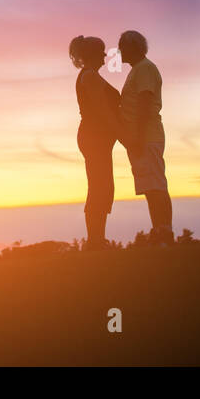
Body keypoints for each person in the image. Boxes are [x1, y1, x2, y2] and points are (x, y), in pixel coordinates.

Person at [117, 30, 172, 244]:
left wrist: (137, 137)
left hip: (147, 136)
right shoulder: (138, 70)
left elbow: (144, 102)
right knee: (150, 188)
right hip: (141, 138)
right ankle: (159, 230)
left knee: (156, 186)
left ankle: (164, 232)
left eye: (122, 47)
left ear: (133, 48)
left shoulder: (145, 69)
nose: (120, 52)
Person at [69, 35, 121, 249]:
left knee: (103, 186)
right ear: (91, 55)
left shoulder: (90, 75)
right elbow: (103, 111)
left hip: (97, 137)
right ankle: (95, 241)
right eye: (101, 52)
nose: (104, 56)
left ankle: (97, 239)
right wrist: (123, 134)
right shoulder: (89, 76)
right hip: (94, 137)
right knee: (100, 186)